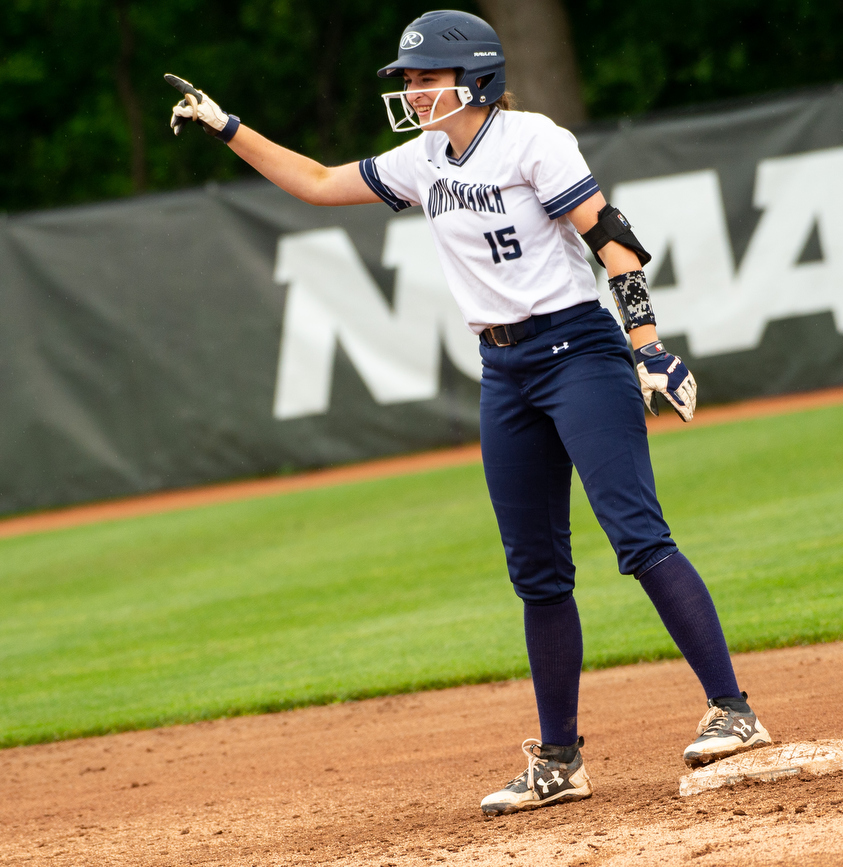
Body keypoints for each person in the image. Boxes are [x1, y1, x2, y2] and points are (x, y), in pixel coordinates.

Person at [167, 9, 772, 817]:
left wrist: (649, 345)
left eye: (425, 77)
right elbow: (315, 183)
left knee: (635, 532)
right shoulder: (424, 159)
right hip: (504, 368)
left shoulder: (533, 139)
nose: (414, 92)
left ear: (476, 75)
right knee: (536, 570)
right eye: (409, 80)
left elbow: (612, 238)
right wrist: (227, 126)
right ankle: (560, 759)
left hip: (578, 351)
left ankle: (733, 709)